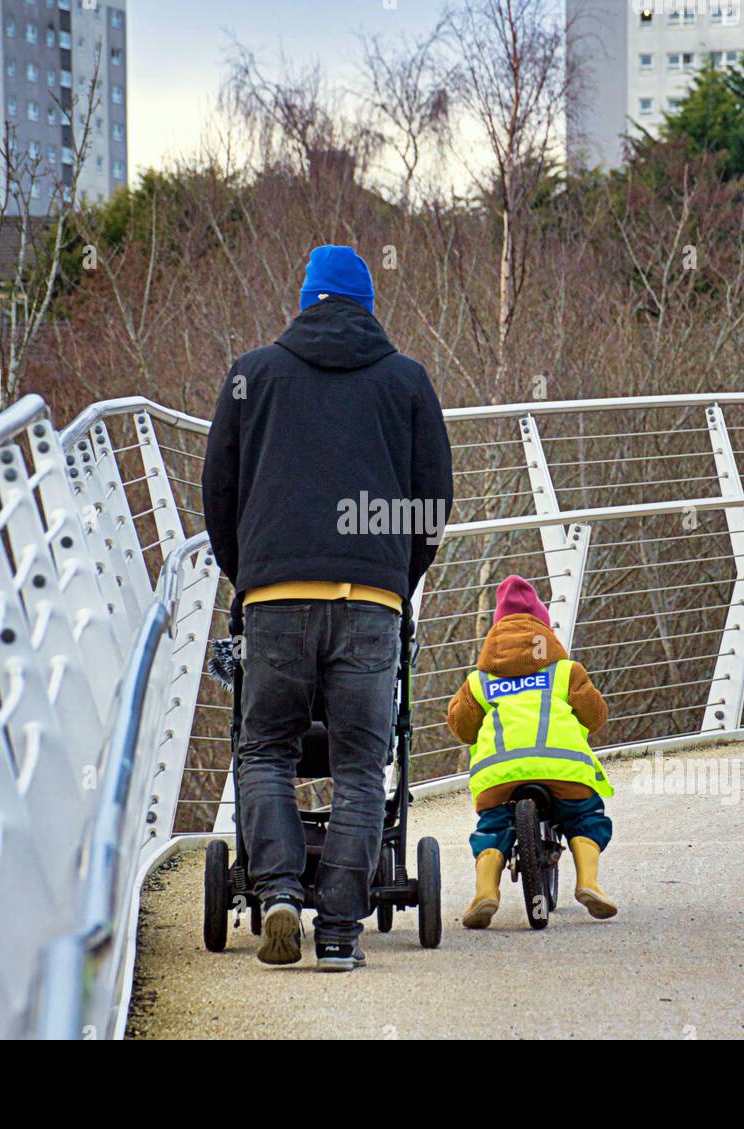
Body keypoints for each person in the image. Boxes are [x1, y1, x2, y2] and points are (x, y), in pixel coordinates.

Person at [202, 244, 453, 972]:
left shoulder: (252, 375)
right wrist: (397, 578)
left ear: (306, 299)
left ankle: (278, 887)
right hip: (371, 599)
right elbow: (434, 497)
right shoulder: (407, 380)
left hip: (275, 594)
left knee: (265, 749)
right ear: (368, 307)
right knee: (359, 764)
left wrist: (245, 574)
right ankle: (341, 929)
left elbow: (219, 490)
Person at [445, 575, 618, 928]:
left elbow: (462, 729)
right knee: (585, 816)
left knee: (493, 826)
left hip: (500, 774)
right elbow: (596, 716)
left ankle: (485, 892)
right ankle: (588, 882)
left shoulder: (479, 681)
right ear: (545, 631)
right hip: (564, 769)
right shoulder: (565, 672)